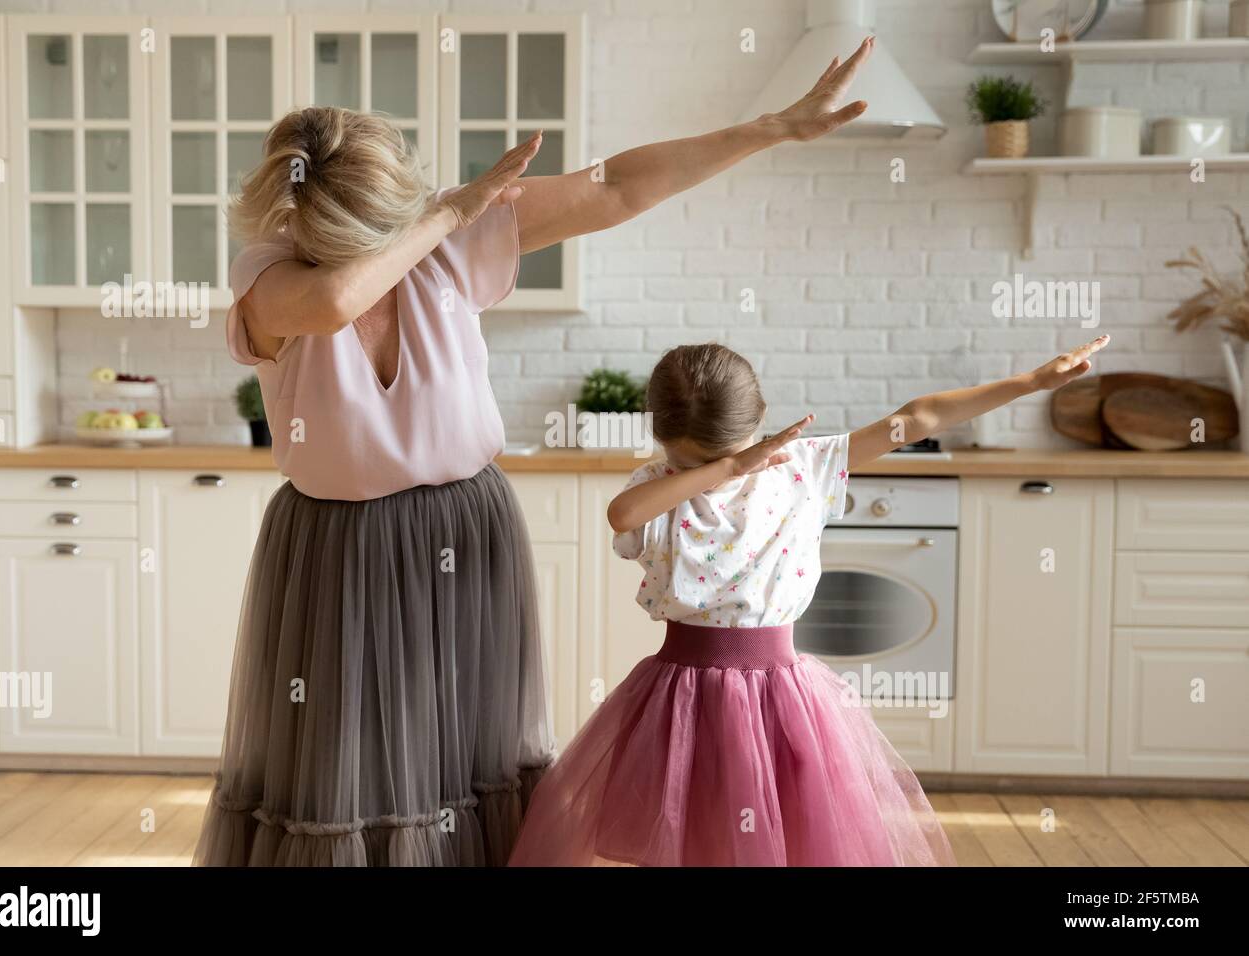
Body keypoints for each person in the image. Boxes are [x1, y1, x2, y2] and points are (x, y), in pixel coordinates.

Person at [193, 38, 883, 866]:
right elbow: (338, 299)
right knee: (349, 762)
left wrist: (771, 127)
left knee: (465, 754)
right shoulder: (271, 277)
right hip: (339, 545)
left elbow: (618, 186)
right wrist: (446, 215)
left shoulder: (450, 242)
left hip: (464, 528)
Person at [510, 335, 1110, 866]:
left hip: (780, 695)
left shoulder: (804, 464)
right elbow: (622, 515)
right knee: (686, 836)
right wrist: (727, 466)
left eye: (721, 457)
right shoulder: (657, 490)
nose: (719, 472)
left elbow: (917, 417)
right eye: (696, 462)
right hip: (683, 696)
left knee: (781, 836)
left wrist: (1030, 382)